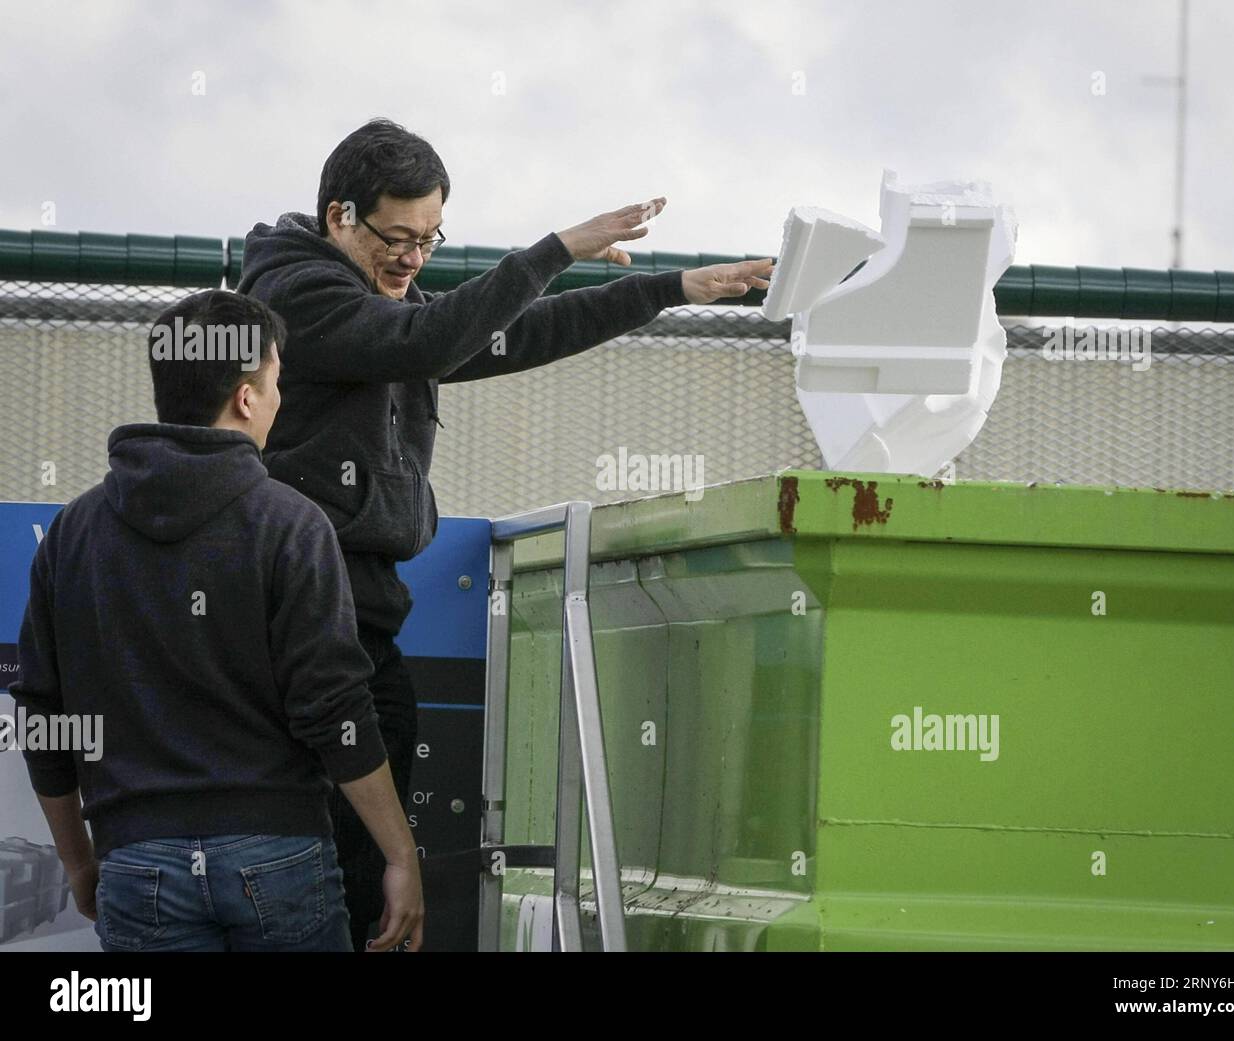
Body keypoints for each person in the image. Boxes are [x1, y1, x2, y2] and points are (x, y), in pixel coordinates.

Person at [237, 117, 773, 949]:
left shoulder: (373, 297)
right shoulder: (299, 294)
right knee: (331, 869)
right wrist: (556, 246)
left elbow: (506, 335)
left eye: (429, 239)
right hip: (308, 622)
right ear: (340, 215)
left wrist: (668, 289)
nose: (413, 259)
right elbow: (433, 335)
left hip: (364, 617)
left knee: (360, 871)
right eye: (397, 237)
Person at [9, 290, 422, 952]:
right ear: (246, 397)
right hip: (281, 857)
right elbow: (334, 706)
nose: (279, 400)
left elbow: (42, 716)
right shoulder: (292, 525)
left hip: (134, 863)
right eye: (275, 381)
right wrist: (399, 855)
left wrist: (80, 861)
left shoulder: (71, 534)